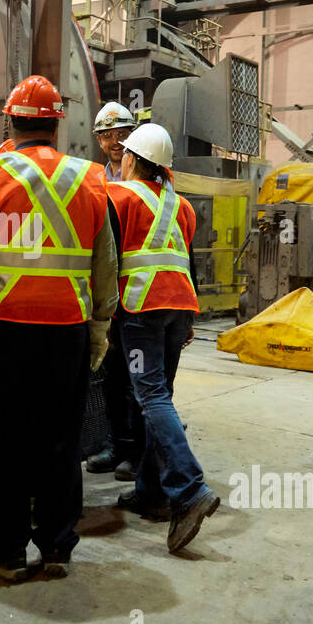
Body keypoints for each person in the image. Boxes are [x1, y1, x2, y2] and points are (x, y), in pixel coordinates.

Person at [0, 75, 119, 581]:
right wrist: (101, 323)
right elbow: (104, 261)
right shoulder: (89, 178)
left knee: (5, 443)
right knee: (62, 441)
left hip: (7, 333)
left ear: (10, 123)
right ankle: (58, 546)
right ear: (58, 126)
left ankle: (7, 550)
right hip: (66, 332)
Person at [105, 123, 220, 553]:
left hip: (141, 309)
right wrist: (188, 319)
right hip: (178, 308)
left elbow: (107, 259)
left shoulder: (117, 197)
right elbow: (184, 261)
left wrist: (102, 317)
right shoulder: (182, 207)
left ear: (131, 159)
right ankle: (151, 493)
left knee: (150, 396)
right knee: (160, 397)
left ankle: (189, 490)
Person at [86, 100, 145, 481]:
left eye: (122, 134)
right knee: (111, 372)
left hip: (141, 290)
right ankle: (114, 444)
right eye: (107, 135)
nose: (114, 142)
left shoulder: (149, 176)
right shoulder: (98, 179)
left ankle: (137, 452)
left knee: (137, 378)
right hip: (109, 288)